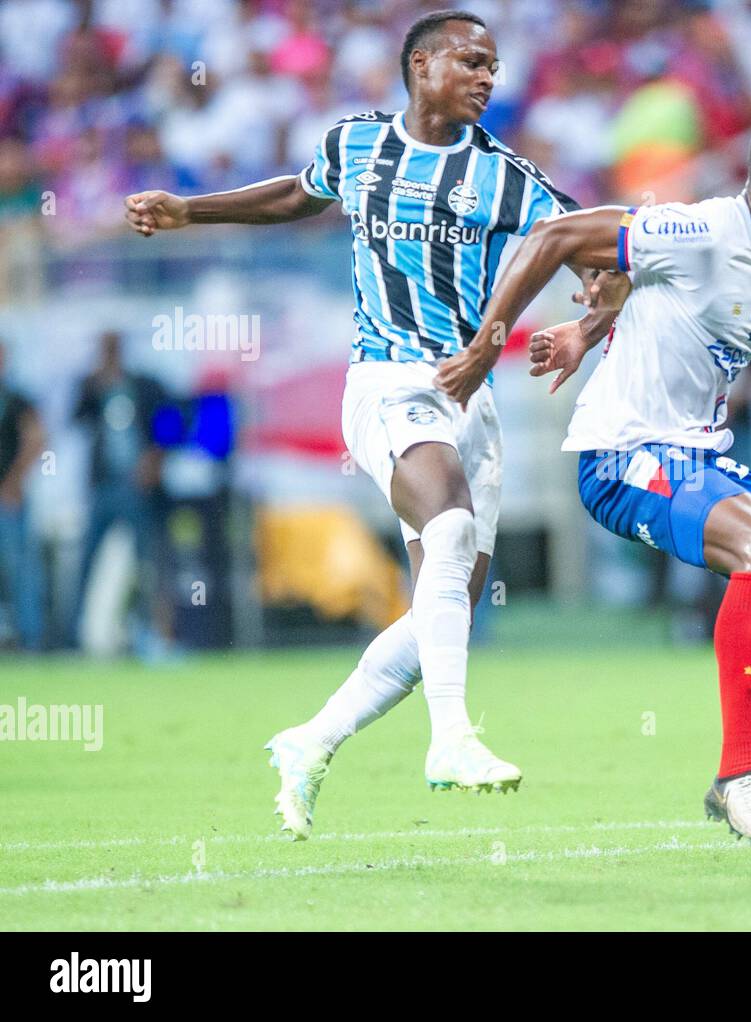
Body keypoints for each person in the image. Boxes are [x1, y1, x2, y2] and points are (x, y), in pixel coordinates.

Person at [124, 10, 623, 840]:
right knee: (452, 530)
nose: (486, 76)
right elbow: (294, 192)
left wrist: (586, 328)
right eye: (469, 61)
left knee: (447, 602)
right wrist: (189, 211)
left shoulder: (508, 177)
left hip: (473, 400)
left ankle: (311, 740)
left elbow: (604, 258)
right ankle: (453, 739)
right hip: (389, 379)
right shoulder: (358, 144)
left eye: (493, 65)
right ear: (419, 65)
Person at [437, 104, 751, 859]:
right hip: (624, 456)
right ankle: (736, 777)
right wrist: (489, 344)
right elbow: (557, 236)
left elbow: (632, 280)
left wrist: (586, 329)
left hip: (702, 456)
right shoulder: (703, 230)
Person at [69, 330, 168, 650]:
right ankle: (70, 634)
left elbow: (168, 423)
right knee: (86, 562)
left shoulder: (143, 385)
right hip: (103, 487)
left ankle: (149, 633)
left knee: (146, 563)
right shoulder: (92, 385)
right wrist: (97, 385)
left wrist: (154, 460)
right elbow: (76, 419)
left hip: (134, 488)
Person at [0, 340, 46, 651]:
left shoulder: (17, 400)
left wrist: (13, 480)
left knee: (20, 568)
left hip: (8, 497)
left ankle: (29, 638)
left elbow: (36, 439)